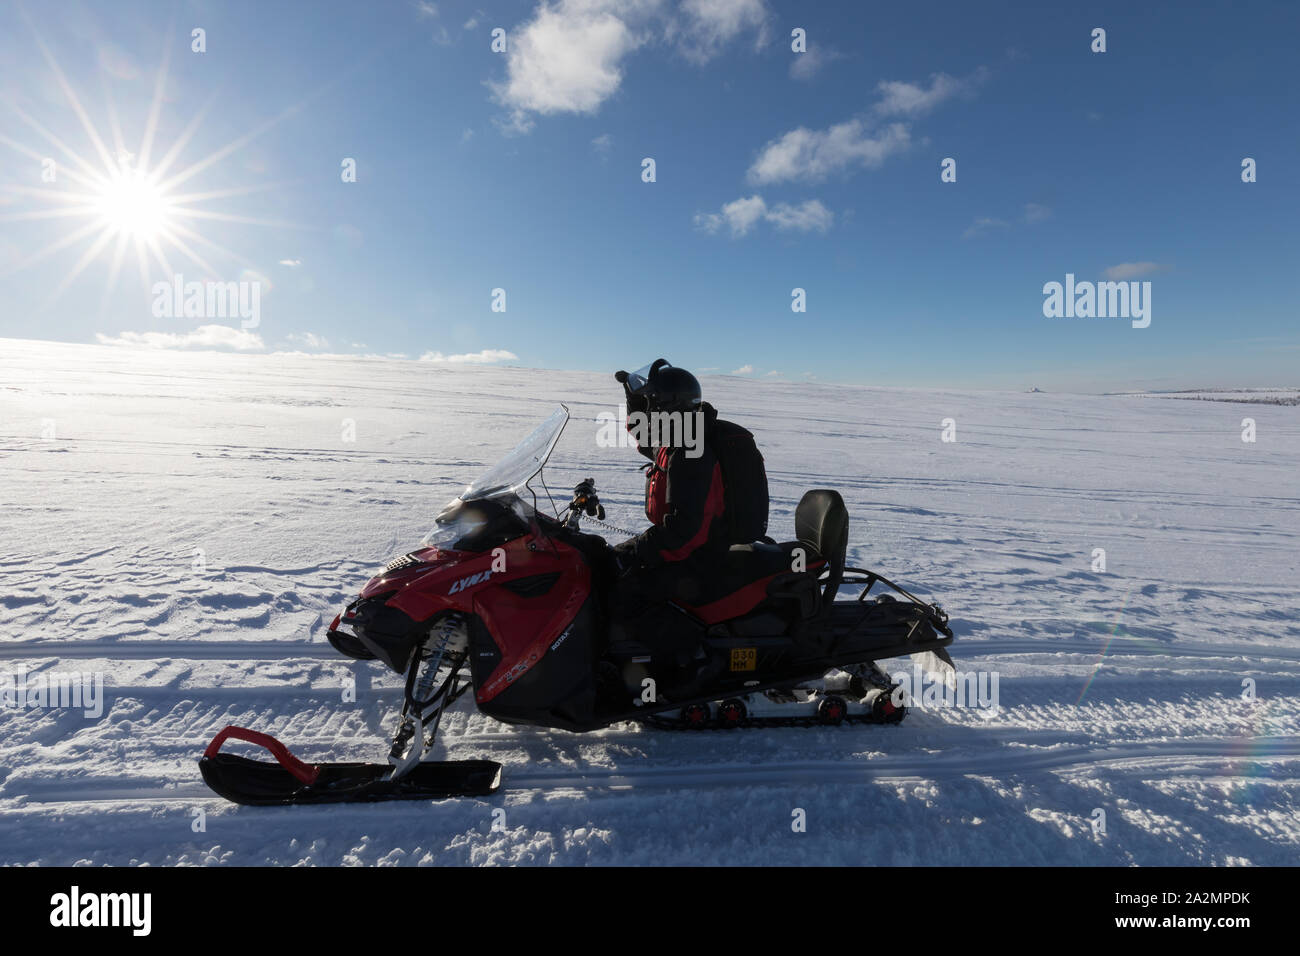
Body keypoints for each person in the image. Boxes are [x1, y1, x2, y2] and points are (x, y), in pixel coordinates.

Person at [608, 359, 768, 680]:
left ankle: (680, 669)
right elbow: (645, 436)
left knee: (629, 592)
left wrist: (632, 552)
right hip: (697, 546)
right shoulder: (681, 435)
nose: (649, 412)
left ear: (668, 407)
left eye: (653, 403)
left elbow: (685, 534)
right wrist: (634, 398)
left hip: (703, 555)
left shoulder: (691, 451)